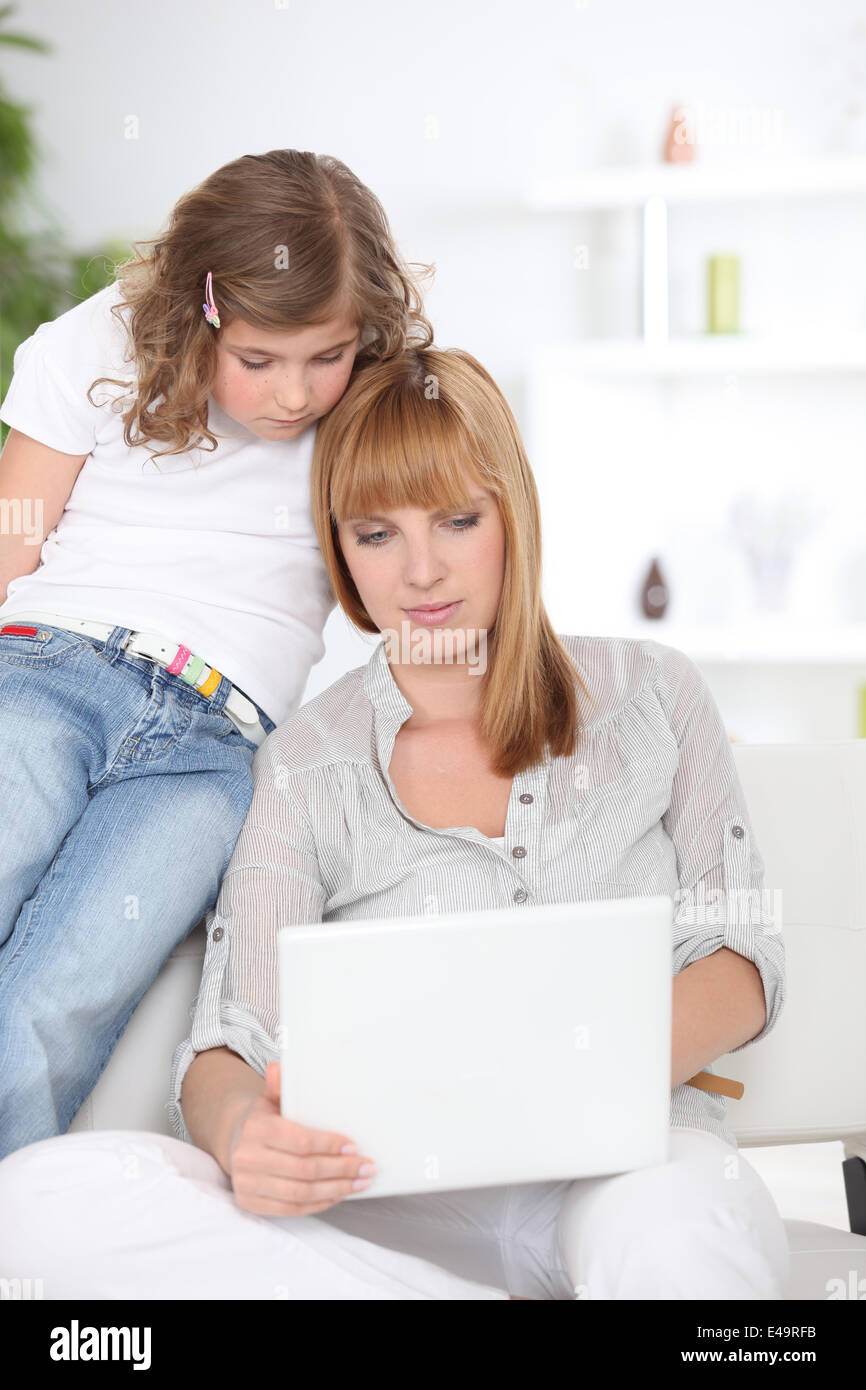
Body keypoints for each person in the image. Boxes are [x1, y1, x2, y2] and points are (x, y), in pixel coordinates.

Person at [0, 346, 791, 1300]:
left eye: (459, 520)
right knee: (38, 1203)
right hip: (392, 1204)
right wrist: (244, 1132)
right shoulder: (301, 763)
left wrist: (563, 1084)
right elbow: (229, 1039)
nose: (421, 573)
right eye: (377, 535)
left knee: (675, 1242)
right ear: (341, 551)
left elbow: (740, 952)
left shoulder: (656, 694)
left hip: (637, 1168)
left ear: (515, 514)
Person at [0, 147, 435, 1159]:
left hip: (210, 745)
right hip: (49, 672)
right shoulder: (95, 344)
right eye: (258, 360)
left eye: (324, 356)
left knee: (56, 996)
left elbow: (417, 577)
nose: (294, 393)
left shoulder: (371, 405)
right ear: (198, 312)